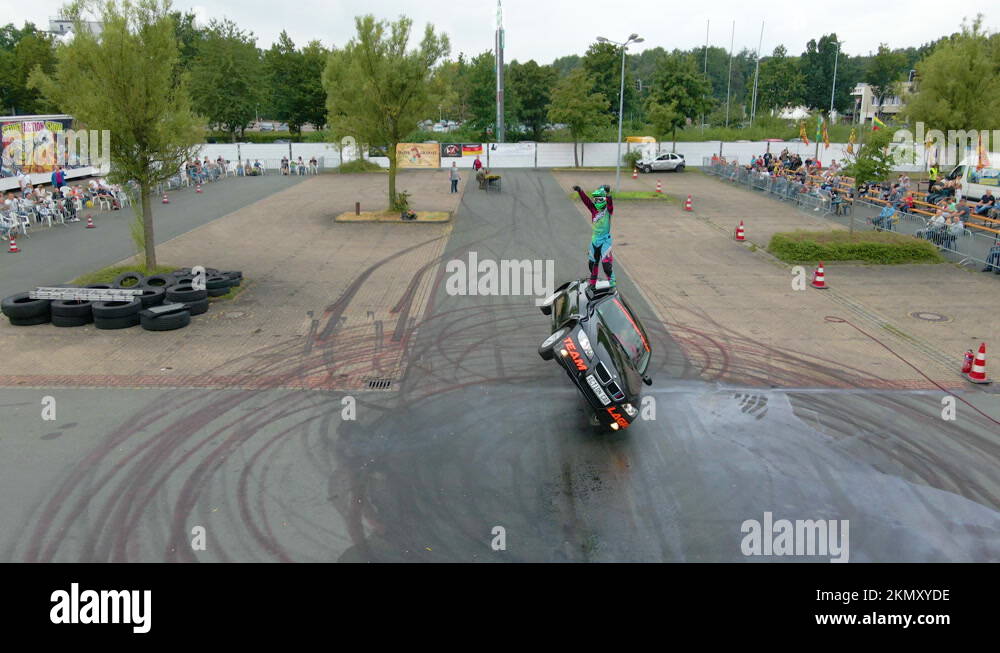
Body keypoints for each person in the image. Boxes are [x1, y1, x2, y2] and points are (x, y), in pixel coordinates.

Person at [572, 183, 616, 288]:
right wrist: (580, 191)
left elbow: (610, 206)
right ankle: (593, 282)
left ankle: (612, 283)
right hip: (595, 240)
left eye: (599, 199)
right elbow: (587, 202)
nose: (597, 201)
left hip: (605, 240)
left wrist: (609, 198)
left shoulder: (607, 211)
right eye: (595, 199)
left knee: (606, 266)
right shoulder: (593, 209)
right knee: (592, 264)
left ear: (604, 199)